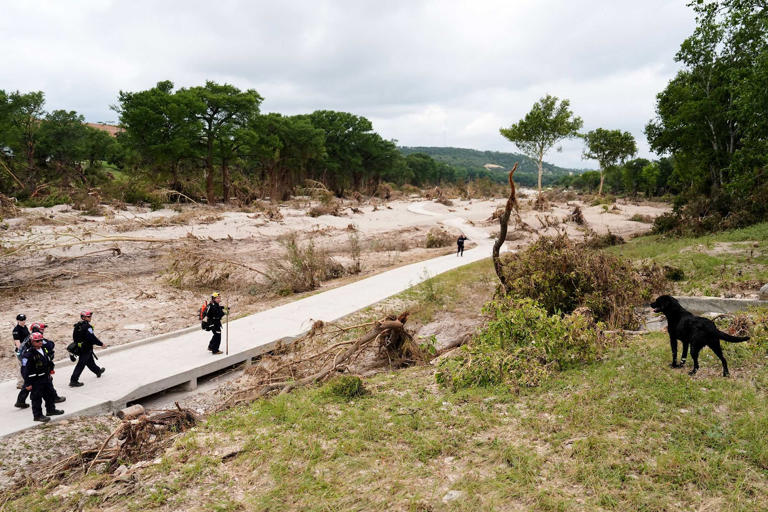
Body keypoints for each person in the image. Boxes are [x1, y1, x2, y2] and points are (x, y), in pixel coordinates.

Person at [20, 332, 64, 422]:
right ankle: (38, 416)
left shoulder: (43, 349)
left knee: (50, 394)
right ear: (32, 342)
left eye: (41, 340)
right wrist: (27, 383)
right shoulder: (28, 354)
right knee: (36, 398)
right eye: (37, 341)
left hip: (45, 377)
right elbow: (24, 370)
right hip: (35, 380)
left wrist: (49, 372)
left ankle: (51, 410)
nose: (40, 342)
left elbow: (47, 361)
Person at [30, 322, 65, 404]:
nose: (43, 331)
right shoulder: (38, 340)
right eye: (41, 329)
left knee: (34, 383)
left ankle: (21, 400)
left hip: (39, 365)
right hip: (40, 366)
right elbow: (50, 345)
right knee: (46, 382)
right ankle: (54, 398)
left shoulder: (31, 338)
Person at [69, 310, 106, 387]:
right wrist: (101, 344)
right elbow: (92, 338)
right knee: (81, 364)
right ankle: (73, 380)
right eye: (88, 316)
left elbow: (74, 337)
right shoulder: (87, 326)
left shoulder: (77, 325)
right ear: (83, 317)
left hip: (81, 348)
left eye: (90, 316)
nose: (90, 317)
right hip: (86, 348)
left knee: (90, 362)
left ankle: (98, 371)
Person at [12, 314, 30, 408]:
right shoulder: (16, 330)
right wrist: (22, 352)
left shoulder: (25, 327)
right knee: (21, 366)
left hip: (27, 349)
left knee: (25, 366)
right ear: (18, 320)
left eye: (24, 319)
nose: (23, 321)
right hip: (21, 351)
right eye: (21, 320)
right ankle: (20, 383)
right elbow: (18, 343)